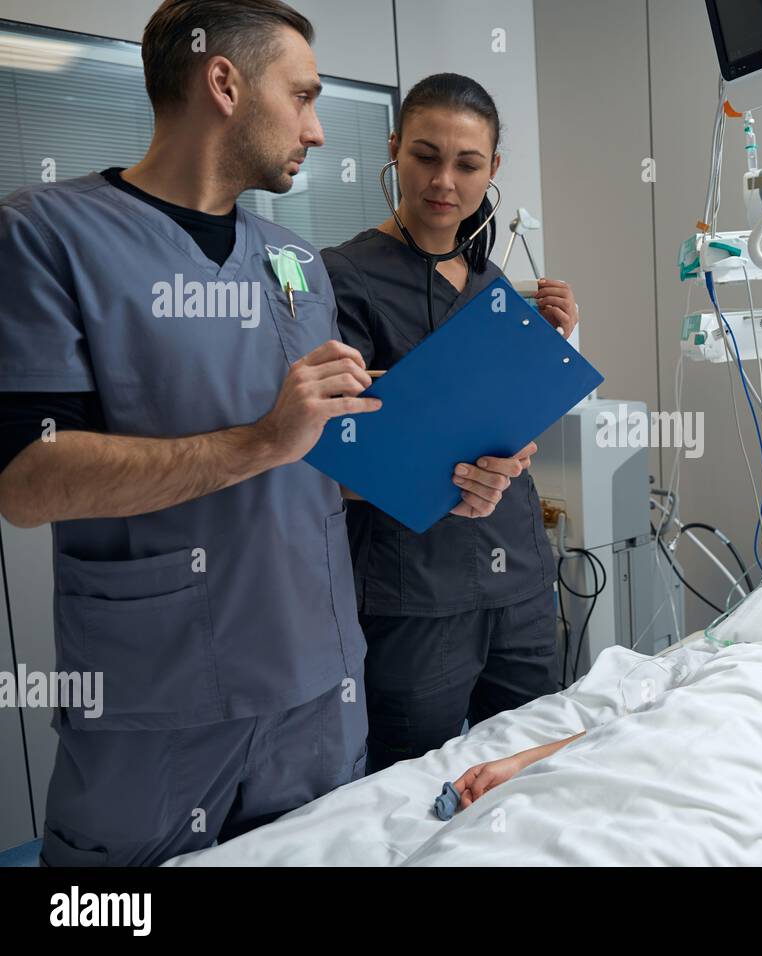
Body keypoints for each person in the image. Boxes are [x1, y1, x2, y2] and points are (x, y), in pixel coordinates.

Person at [0, 0, 515, 866]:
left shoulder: (294, 262)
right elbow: (24, 479)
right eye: (304, 95)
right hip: (161, 695)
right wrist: (260, 441)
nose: (317, 129)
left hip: (319, 684)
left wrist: (445, 475)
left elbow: (315, 462)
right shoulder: (47, 235)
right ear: (224, 82)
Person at [322, 73, 579, 774]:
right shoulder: (344, 276)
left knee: (529, 769)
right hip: (415, 593)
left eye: (467, 164)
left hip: (519, 578)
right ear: (394, 149)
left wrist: (548, 360)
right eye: (425, 156)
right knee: (410, 790)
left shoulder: (491, 282)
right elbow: (342, 446)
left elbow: (507, 425)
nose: (444, 181)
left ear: (493, 170)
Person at [446, 552, 762, 867]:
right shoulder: (740, 652)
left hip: (720, 788)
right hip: (619, 762)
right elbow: (637, 720)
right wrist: (519, 762)